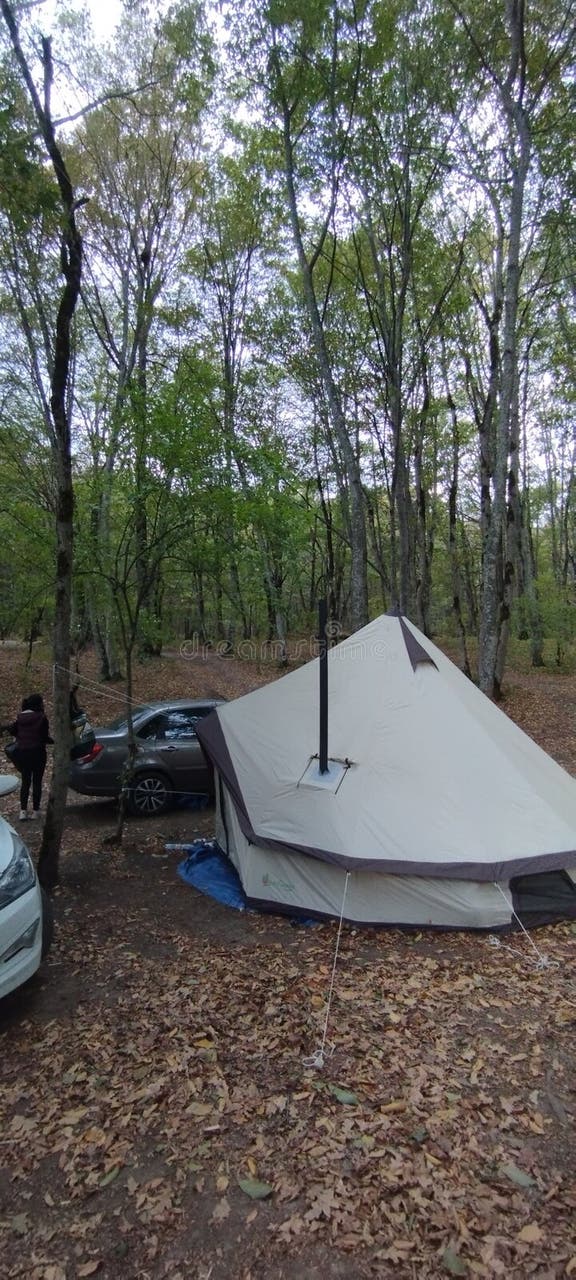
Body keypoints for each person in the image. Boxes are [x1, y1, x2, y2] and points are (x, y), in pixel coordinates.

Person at [3, 694, 53, 821]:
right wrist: (53, 741)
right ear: (38, 704)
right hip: (38, 753)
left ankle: (23, 811)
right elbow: (44, 736)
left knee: (25, 781)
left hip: (23, 753)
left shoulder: (20, 718)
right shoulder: (42, 718)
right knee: (37, 782)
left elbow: (13, 731)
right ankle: (35, 811)